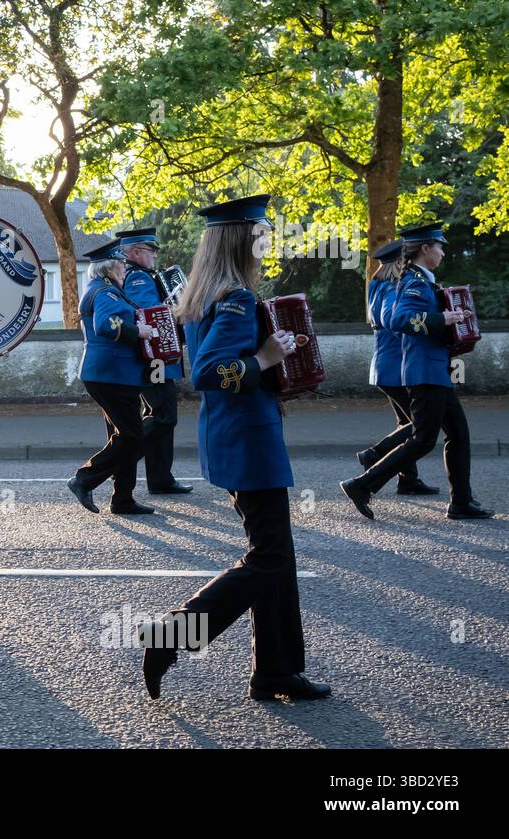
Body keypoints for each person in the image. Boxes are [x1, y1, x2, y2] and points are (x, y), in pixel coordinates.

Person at [138, 194, 330, 702]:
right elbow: (207, 374)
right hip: (249, 439)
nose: (269, 238)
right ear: (244, 238)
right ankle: (170, 636)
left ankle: (276, 671)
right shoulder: (237, 297)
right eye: (263, 231)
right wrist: (266, 358)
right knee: (268, 558)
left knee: (276, 557)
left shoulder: (214, 294)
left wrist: (269, 358)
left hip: (235, 435)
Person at [340, 222, 493, 520]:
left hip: (432, 369)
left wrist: (449, 321)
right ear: (425, 249)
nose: (443, 252)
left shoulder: (421, 279)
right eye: (439, 247)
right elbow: (399, 319)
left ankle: (461, 502)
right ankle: (362, 484)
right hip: (423, 370)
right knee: (423, 438)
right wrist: (443, 318)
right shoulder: (412, 281)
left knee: (457, 434)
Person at [67, 239, 158, 515]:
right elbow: (106, 325)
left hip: (116, 374)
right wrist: (138, 332)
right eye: (121, 266)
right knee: (131, 436)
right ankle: (84, 479)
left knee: (126, 436)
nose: (125, 270)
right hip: (110, 374)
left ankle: (123, 499)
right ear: (109, 269)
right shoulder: (105, 293)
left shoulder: (106, 290)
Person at [357, 241, 437, 496]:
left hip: (385, 365)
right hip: (395, 365)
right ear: (400, 263)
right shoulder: (391, 288)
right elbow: (392, 321)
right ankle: (374, 454)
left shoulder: (377, 285)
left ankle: (408, 479)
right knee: (419, 424)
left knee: (407, 422)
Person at [117, 228, 191, 494]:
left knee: (163, 417)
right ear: (136, 252)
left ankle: (161, 479)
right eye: (150, 251)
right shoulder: (137, 278)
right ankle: (116, 461)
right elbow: (150, 313)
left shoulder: (142, 275)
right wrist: (182, 308)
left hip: (158, 358)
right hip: (154, 359)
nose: (154, 257)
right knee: (162, 417)